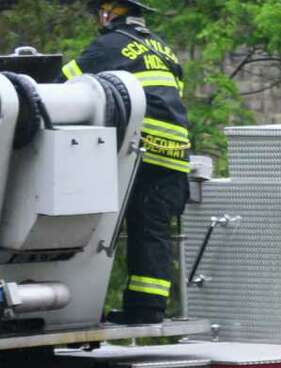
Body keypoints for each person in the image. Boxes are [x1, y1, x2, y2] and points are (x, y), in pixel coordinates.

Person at [64, 0, 191, 325]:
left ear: (109, 12)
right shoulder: (164, 49)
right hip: (176, 152)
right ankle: (147, 310)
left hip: (141, 150)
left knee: (94, 224)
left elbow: (63, 86)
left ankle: (76, 307)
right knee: (152, 229)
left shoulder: (110, 44)